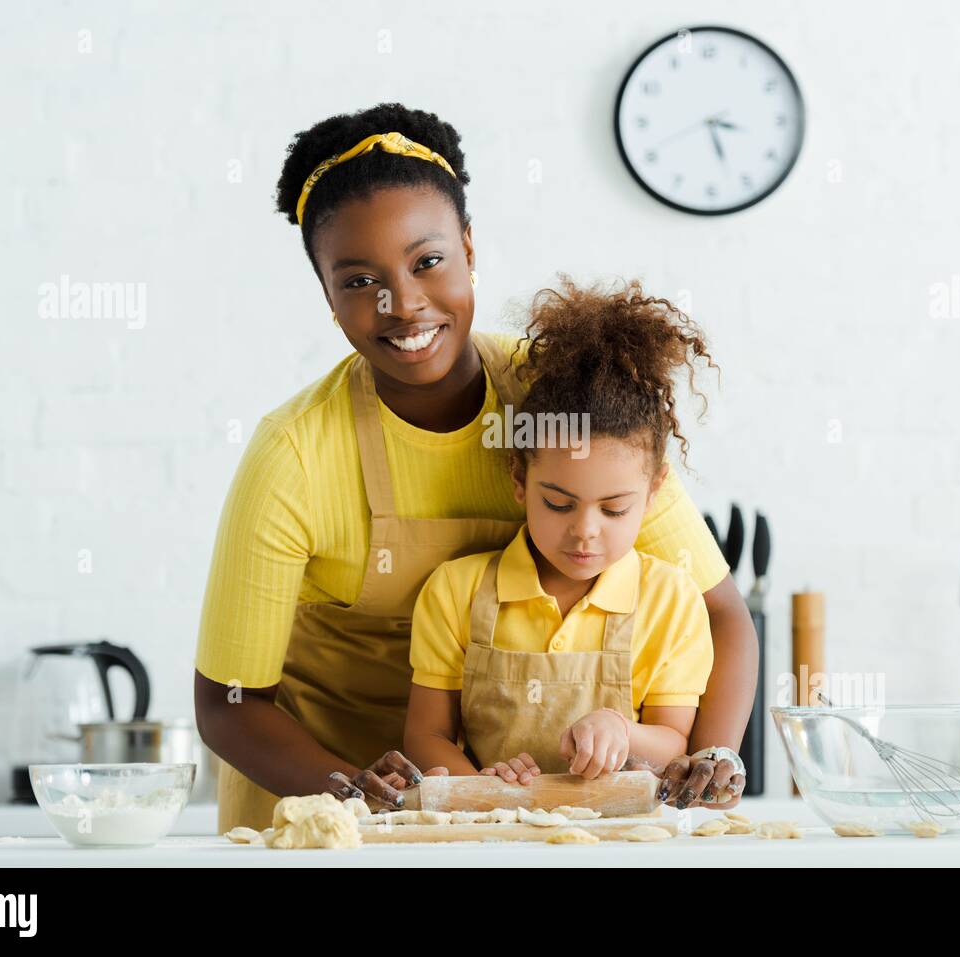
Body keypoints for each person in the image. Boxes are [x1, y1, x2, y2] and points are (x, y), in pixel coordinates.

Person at [194, 103, 757, 833]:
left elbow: (722, 614)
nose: (403, 304)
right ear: (327, 297)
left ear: (467, 246)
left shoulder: (560, 400)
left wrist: (708, 757)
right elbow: (228, 704)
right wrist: (355, 789)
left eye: (427, 261)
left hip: (515, 812)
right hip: (325, 810)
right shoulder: (294, 455)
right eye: (359, 281)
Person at [405, 279, 720, 789]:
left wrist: (620, 730)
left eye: (615, 509)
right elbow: (425, 737)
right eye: (558, 503)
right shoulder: (455, 591)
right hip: (495, 837)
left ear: (655, 489)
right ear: (519, 479)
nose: (585, 534)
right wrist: (485, 787)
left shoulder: (671, 599)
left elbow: (673, 741)